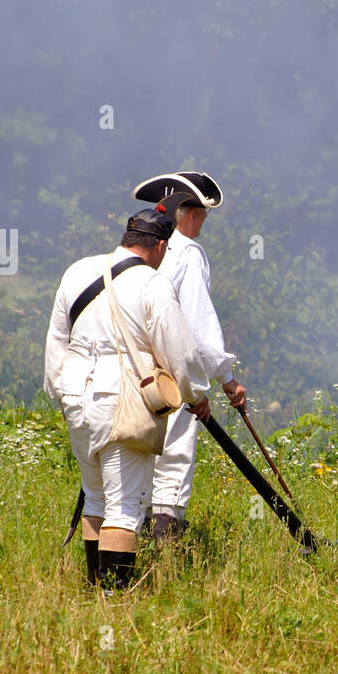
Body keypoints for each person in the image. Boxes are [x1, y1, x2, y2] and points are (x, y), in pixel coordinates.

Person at [43, 208, 211, 590]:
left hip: (76, 399)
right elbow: (179, 353)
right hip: (122, 403)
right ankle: (115, 597)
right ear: (162, 245)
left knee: (97, 500)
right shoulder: (153, 284)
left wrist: (61, 393)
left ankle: (93, 589)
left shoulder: (77, 271)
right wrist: (196, 394)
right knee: (124, 507)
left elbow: (57, 342)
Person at [131, 172, 246, 541]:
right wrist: (227, 380)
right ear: (189, 213)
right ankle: (165, 553)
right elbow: (199, 326)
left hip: (133, 372)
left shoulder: (140, 251)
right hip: (172, 373)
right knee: (174, 460)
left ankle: (134, 540)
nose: (204, 223)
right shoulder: (189, 254)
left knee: (139, 460)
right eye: (203, 214)